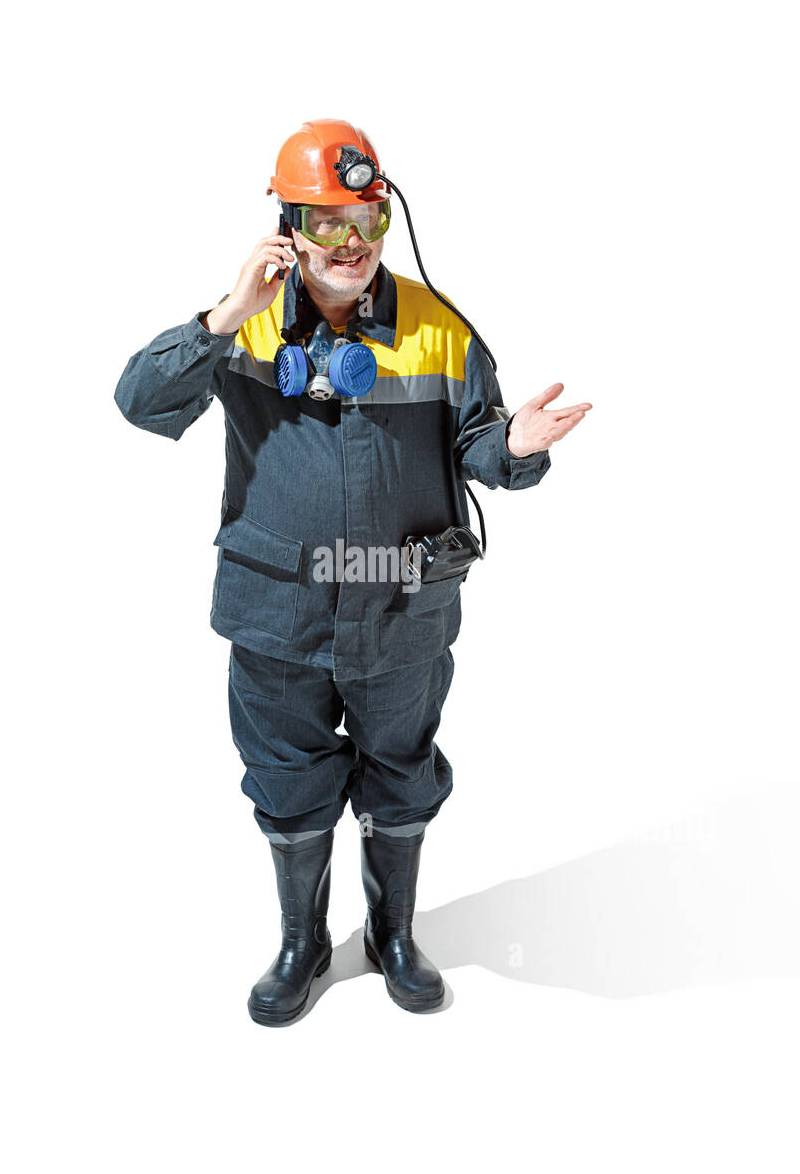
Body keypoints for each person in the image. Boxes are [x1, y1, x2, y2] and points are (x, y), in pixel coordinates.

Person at [115, 118, 591, 1026]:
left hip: (404, 611)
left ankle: (393, 936)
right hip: (275, 613)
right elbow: (140, 402)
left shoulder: (436, 329)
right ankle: (303, 944)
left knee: (402, 772)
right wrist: (223, 318)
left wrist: (516, 447)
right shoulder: (242, 326)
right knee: (285, 779)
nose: (353, 243)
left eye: (368, 219)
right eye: (327, 222)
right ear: (288, 225)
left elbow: (479, 444)